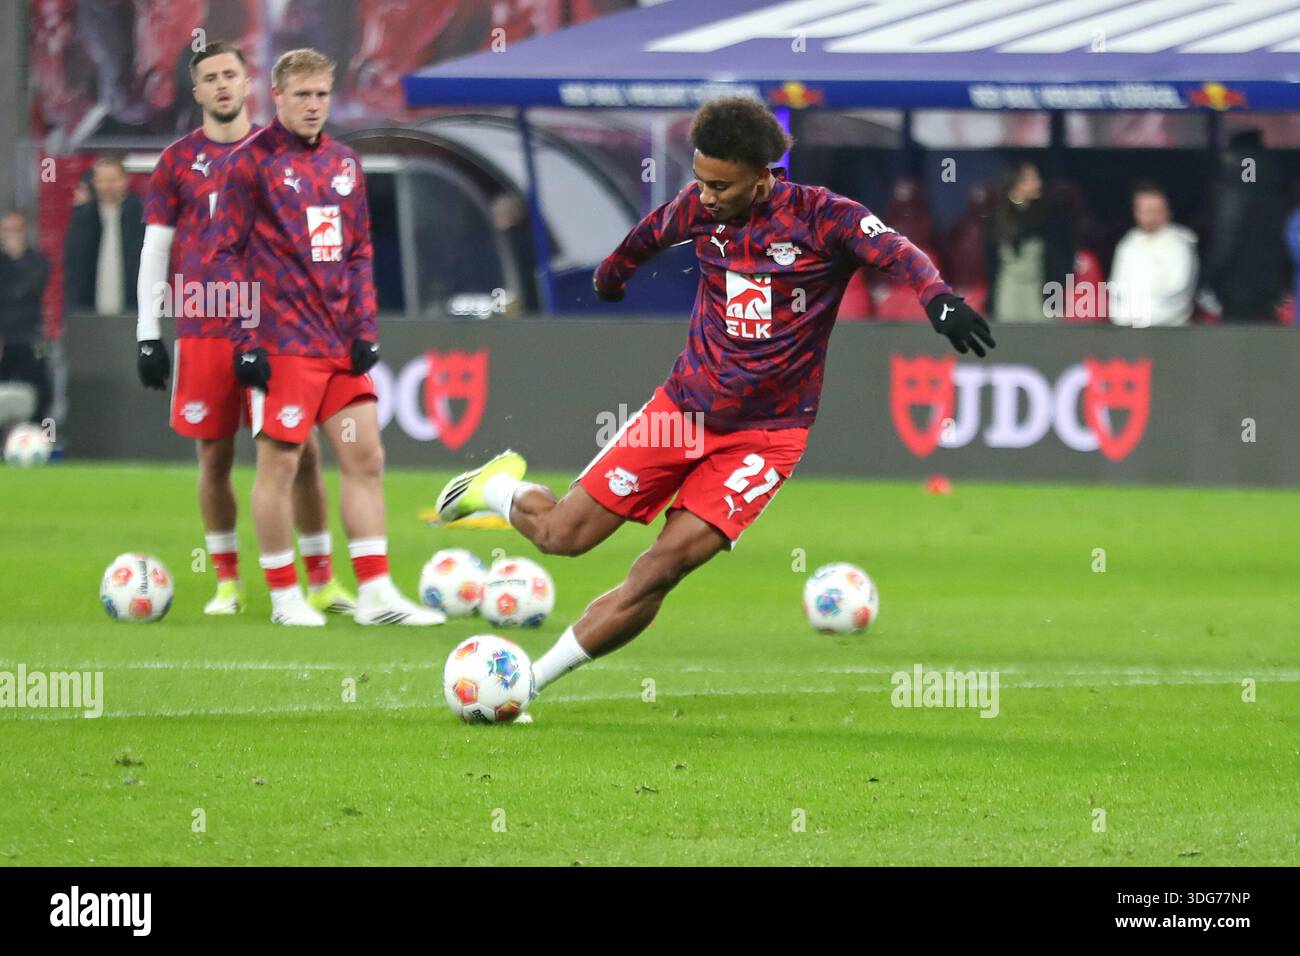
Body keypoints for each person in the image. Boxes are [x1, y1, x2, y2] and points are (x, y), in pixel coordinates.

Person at [434, 98, 994, 700]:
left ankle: (528, 682)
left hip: (768, 437)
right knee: (562, 538)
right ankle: (494, 487)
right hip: (681, 413)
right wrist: (612, 275)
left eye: (720, 185)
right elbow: (646, 237)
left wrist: (938, 298)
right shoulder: (698, 209)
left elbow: (898, 251)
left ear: (762, 177)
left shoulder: (824, 217)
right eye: (700, 180)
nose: (704, 195)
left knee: (659, 569)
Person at [206, 47, 440, 627]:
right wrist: (244, 338)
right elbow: (223, 257)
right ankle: (285, 595)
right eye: (302, 95)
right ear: (277, 97)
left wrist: (365, 329)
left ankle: (376, 593)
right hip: (281, 343)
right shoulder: (248, 163)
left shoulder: (344, 164)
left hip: (338, 347)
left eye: (322, 95)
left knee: (366, 456)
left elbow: (360, 253)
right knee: (279, 465)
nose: (314, 106)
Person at [135, 41, 355, 617]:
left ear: (249, 83)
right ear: (198, 92)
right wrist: (147, 332)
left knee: (300, 451)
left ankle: (323, 582)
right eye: (211, 78)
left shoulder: (277, 153)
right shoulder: (176, 162)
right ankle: (228, 583)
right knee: (215, 458)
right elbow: (156, 249)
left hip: (276, 326)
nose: (223, 85)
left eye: (232, 74)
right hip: (205, 323)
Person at [983, 161, 1072, 323]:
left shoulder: (1050, 217)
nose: (1038, 183)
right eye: (1030, 179)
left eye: (1037, 178)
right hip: (1008, 291)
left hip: (1039, 291)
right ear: (1015, 184)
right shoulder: (998, 218)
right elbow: (990, 262)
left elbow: (1060, 258)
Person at [63, 154, 144, 316]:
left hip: (134, 311)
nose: (107, 186)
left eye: (113, 180)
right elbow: (73, 268)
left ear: (125, 180)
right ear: (94, 183)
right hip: (89, 313)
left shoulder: (141, 218)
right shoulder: (81, 220)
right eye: (102, 180)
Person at [1107, 182, 1197, 327]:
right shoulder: (1128, 243)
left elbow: (1177, 290)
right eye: (1145, 210)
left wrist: (1142, 314)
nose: (1150, 216)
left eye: (1155, 210)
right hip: (1128, 326)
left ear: (1167, 211)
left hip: (1169, 330)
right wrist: (1122, 315)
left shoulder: (1181, 243)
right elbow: (1116, 286)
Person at [0, 210, 53, 422]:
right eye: (7, 230)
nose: (12, 234)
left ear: (25, 232)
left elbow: (30, 287)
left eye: (17, 229)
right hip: (3, 337)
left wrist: (17, 259)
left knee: (39, 388)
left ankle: (34, 432)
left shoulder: (38, 261)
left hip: (31, 336)